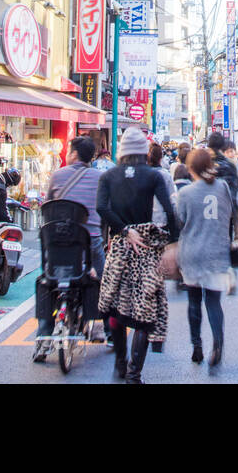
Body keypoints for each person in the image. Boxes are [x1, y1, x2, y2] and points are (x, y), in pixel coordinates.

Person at [97, 128, 182, 383]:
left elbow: (101, 208)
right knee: (144, 312)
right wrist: (172, 246)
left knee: (115, 307)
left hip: (121, 247)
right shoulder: (154, 176)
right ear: (144, 151)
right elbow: (170, 212)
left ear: (122, 150)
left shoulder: (109, 176)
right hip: (146, 248)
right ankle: (134, 373)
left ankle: (120, 364)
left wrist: (123, 230)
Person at [35, 135, 108, 360]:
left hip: (56, 241)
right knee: (105, 283)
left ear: (74, 154)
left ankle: (43, 337)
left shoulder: (58, 175)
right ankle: (110, 330)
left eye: (69, 150)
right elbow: (105, 210)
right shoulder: (100, 178)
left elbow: (47, 206)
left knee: (47, 281)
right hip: (90, 240)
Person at [176, 147, 233, 369]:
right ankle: (217, 342)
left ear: (191, 169)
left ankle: (196, 346)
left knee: (193, 302)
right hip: (217, 251)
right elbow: (228, 214)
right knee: (213, 302)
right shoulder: (223, 187)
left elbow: (180, 221)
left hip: (192, 252)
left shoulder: (185, 193)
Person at [148, 141, 177, 228]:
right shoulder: (165, 175)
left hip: (144, 221)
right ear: (161, 157)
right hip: (161, 220)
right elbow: (172, 199)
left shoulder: (142, 174)